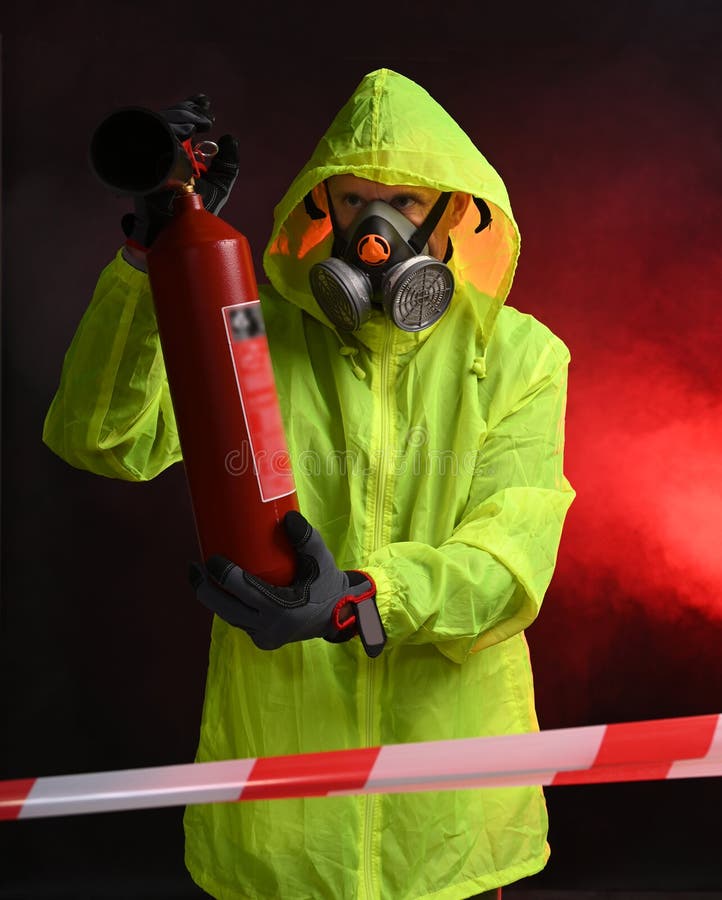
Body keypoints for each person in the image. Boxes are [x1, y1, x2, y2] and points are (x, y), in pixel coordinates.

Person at [43, 70, 575, 899]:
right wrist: (156, 264)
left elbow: (510, 563)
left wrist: (362, 599)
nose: (377, 228)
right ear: (319, 206)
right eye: (354, 196)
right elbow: (103, 439)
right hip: (281, 838)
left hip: (447, 834)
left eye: (403, 199)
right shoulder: (250, 332)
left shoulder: (519, 358)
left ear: (457, 213)